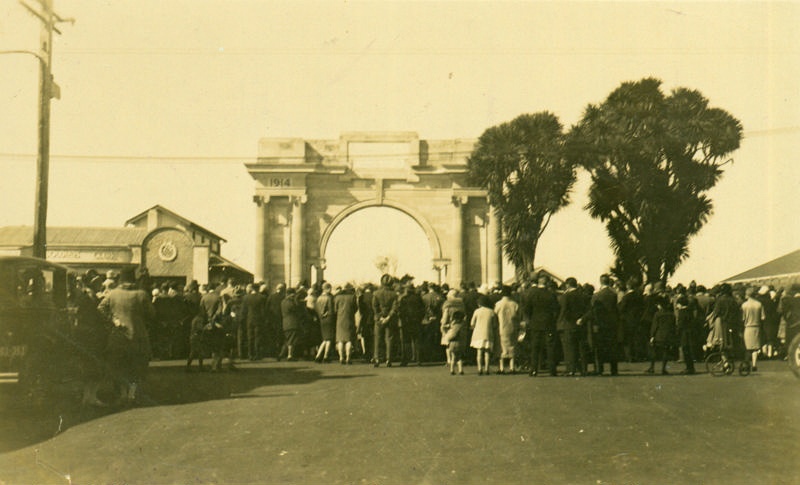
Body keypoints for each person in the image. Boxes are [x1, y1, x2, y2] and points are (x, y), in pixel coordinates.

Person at [97, 267, 155, 405]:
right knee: (137, 367)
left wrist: (114, 320)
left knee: (118, 365)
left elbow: (100, 309)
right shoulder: (142, 294)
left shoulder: (113, 294)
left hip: (118, 336)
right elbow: (152, 314)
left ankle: (122, 393)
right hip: (138, 336)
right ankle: (132, 394)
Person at [520, 273, 559, 377]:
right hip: (548, 323)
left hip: (535, 323)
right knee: (550, 346)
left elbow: (527, 309)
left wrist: (529, 320)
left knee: (535, 346)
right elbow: (556, 309)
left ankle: (534, 369)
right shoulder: (551, 294)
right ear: (547, 282)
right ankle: (552, 369)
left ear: (538, 281)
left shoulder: (532, 294)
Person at [557, 277, 586, 377]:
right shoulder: (583, 295)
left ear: (567, 285)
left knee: (568, 348)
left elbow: (564, 310)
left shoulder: (566, 296)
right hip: (580, 324)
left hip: (567, 324)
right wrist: (581, 319)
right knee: (579, 347)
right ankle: (582, 369)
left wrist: (560, 321)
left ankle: (570, 369)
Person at [372, 274, 399, 367]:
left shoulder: (376, 293)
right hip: (390, 319)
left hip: (379, 319)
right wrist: (388, 317)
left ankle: (377, 358)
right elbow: (395, 307)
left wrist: (379, 317)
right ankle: (389, 359)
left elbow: (374, 307)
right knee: (389, 338)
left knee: (378, 338)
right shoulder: (394, 294)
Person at [646, 297, 676, 375]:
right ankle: (664, 369)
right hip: (668, 336)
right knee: (665, 352)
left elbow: (654, 326)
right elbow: (673, 326)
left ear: (660, 305)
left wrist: (652, 336)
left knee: (654, 352)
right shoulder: (671, 314)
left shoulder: (658, 314)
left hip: (658, 336)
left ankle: (652, 367)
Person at [397, 283, 425, 366]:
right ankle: (419, 359)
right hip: (416, 322)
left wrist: (402, 319)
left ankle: (405, 360)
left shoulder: (404, 299)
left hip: (406, 322)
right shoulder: (418, 298)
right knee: (417, 341)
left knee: (406, 342)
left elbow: (401, 311)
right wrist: (420, 318)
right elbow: (423, 310)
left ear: (407, 290)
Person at [494, 286, 519, 374]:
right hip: (512, 327)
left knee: (501, 347)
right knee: (512, 346)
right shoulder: (514, 304)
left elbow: (495, 315)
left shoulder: (498, 304)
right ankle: (512, 367)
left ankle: (502, 368)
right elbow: (518, 316)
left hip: (501, 327)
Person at [470, 295, 497, 375]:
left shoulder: (476, 311)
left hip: (478, 334)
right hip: (488, 333)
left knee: (479, 352)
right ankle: (487, 369)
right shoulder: (491, 311)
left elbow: (472, 323)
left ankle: (479, 369)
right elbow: (494, 324)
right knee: (487, 352)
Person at [240, 283, 267, 361]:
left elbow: (244, 310)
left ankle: (250, 354)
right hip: (259, 319)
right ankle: (257, 354)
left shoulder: (246, 298)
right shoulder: (262, 298)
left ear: (251, 289)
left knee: (250, 337)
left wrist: (243, 319)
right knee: (258, 337)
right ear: (258, 289)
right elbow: (263, 310)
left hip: (249, 319)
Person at [741, 286, 765, 371]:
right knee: (755, 347)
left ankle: (747, 364)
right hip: (757, 326)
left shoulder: (744, 305)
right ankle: (754, 364)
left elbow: (743, 318)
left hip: (748, 327)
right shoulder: (759, 304)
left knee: (748, 347)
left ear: (747, 295)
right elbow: (763, 317)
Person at [440, 289, 465, 367]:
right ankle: (458, 361)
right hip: (460, 325)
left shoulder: (447, 304)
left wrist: (443, 325)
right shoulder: (461, 304)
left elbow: (445, 317)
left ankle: (449, 360)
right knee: (459, 344)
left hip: (449, 325)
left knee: (448, 344)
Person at [334, 283, 357, 364]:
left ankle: (341, 357)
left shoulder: (337, 297)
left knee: (340, 340)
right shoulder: (352, 297)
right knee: (349, 340)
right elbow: (355, 308)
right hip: (349, 319)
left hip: (340, 319)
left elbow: (335, 309)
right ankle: (348, 358)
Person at [314, 282, 336, 363]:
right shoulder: (329, 298)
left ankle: (318, 355)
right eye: (330, 288)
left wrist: (321, 315)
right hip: (329, 319)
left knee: (325, 339)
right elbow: (331, 310)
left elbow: (316, 309)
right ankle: (326, 356)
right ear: (327, 288)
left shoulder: (319, 298)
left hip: (321, 319)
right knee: (329, 338)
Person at [443, 310, 467, 375]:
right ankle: (460, 370)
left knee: (453, 357)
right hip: (461, 343)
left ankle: (452, 370)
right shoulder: (463, 325)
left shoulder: (456, 326)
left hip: (454, 343)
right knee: (459, 357)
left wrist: (448, 338)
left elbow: (453, 335)